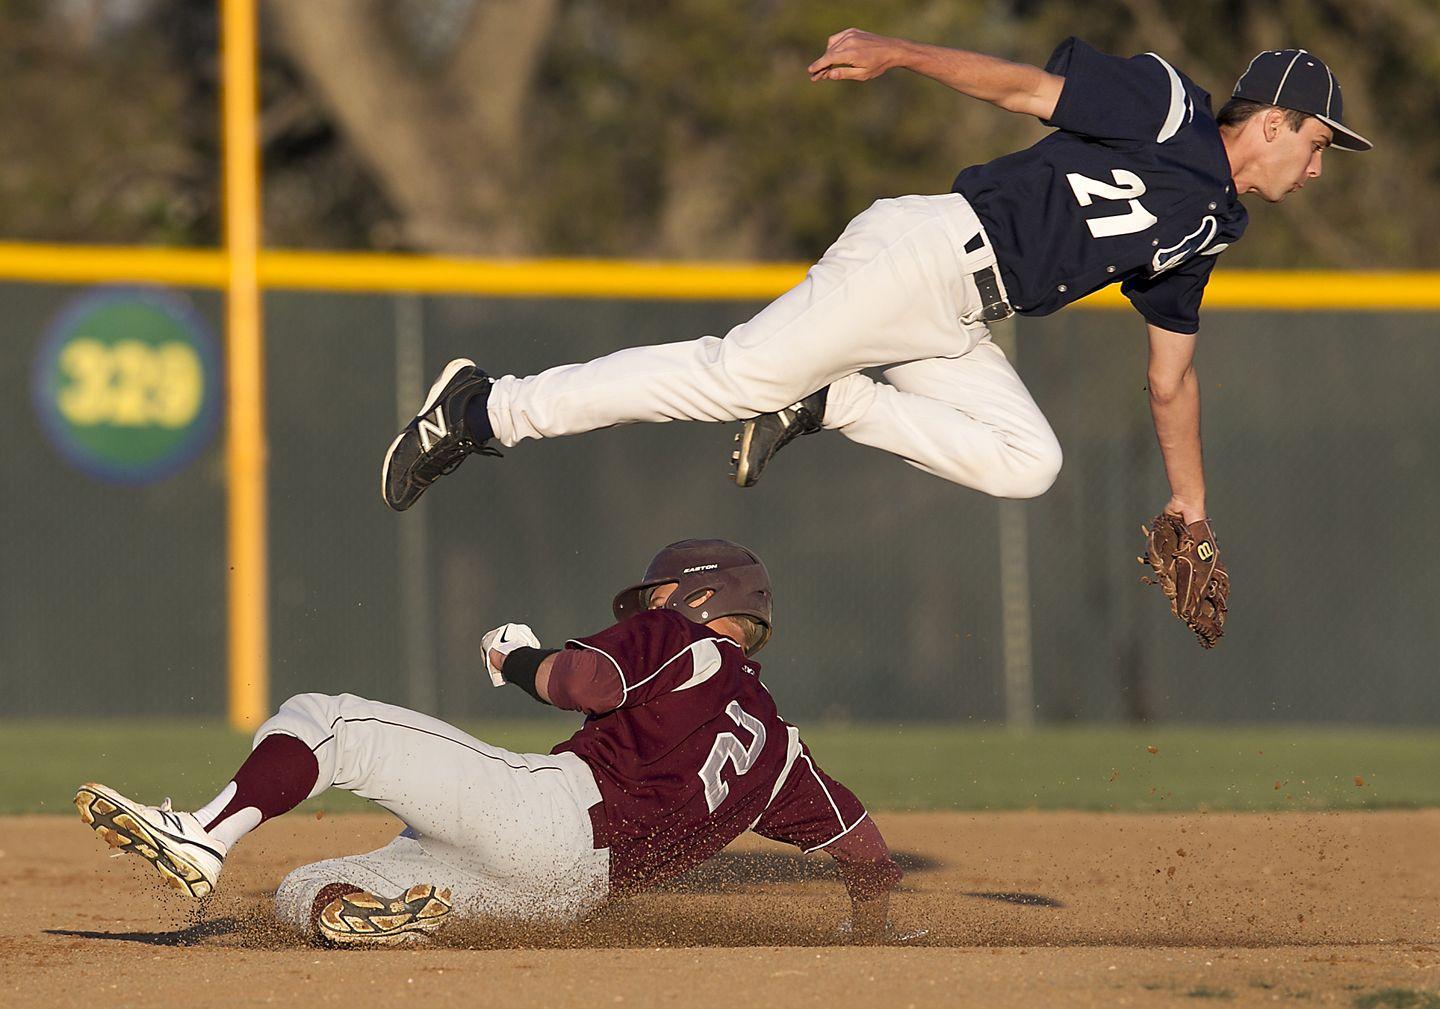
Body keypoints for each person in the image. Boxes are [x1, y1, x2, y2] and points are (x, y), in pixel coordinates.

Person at [380, 32, 1370, 545]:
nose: (1319, 168)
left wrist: (1190, 500)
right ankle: (486, 409)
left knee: (1029, 462)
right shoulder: (1166, 109)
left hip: (958, 319)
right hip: (926, 253)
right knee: (731, 379)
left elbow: (1171, 380)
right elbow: (1027, 89)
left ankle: (836, 398)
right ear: (1276, 122)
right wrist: (900, 54)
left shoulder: (1211, 225)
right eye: (1320, 144)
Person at [76, 539, 910, 947]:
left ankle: (205, 833)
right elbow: (866, 850)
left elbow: (577, 685)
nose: (643, 607)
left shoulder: (680, 636)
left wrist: (513, 656)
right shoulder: (782, 756)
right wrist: (868, 927)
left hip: (548, 814)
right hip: (565, 898)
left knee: (326, 717)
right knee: (310, 888)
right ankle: (366, 916)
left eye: (654, 594)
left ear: (692, 592)